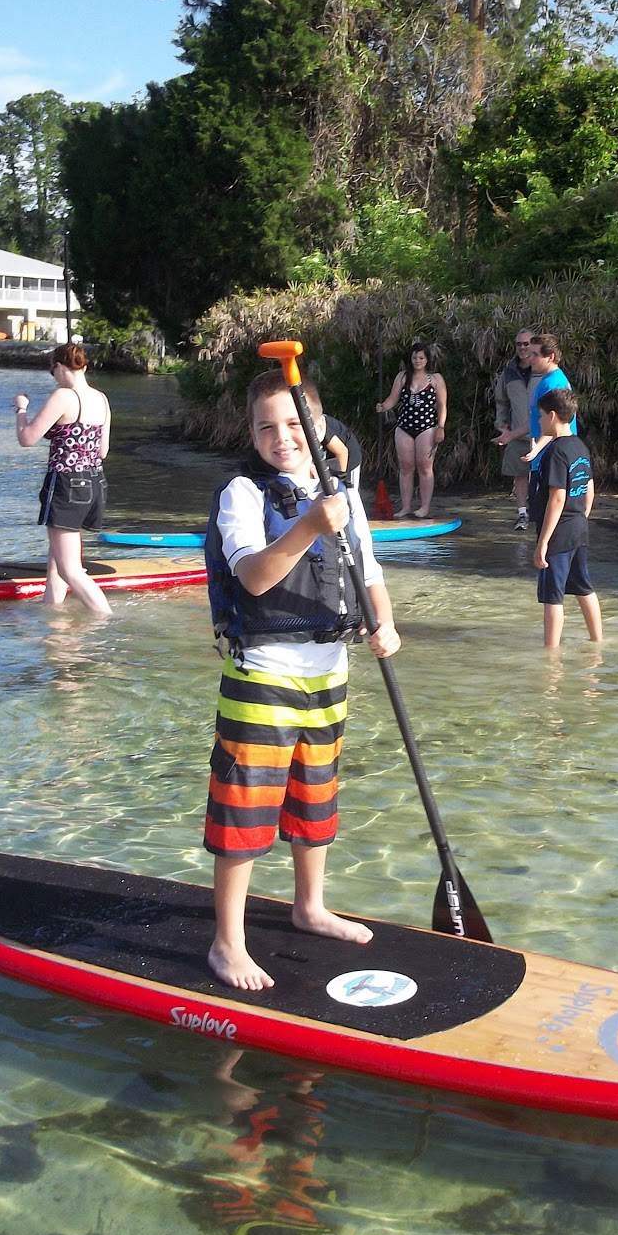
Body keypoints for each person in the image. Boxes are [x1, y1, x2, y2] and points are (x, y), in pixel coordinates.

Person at [204, 368, 401, 992]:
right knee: (245, 809)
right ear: (252, 433)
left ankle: (309, 906)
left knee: (315, 801)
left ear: (319, 428)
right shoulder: (242, 493)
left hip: (329, 673)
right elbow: (257, 578)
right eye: (266, 426)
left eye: (294, 424)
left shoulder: (342, 494)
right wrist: (312, 524)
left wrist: (386, 624)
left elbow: (367, 571)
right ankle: (226, 943)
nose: (281, 436)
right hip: (262, 674)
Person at [13, 342, 112, 615]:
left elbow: (27, 438)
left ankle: (107, 619)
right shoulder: (101, 399)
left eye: (53, 371)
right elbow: (102, 450)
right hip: (94, 483)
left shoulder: (63, 397)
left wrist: (21, 409)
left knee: (70, 570)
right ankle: (51, 613)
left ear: (59, 367)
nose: (54, 377)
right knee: (58, 557)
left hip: (67, 483)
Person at [529, 387, 602, 649]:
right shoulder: (579, 446)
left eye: (539, 416)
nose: (538, 421)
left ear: (551, 415)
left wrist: (543, 542)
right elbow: (589, 487)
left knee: (553, 595)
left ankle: (550, 654)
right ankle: (597, 641)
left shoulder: (556, 451)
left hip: (559, 531)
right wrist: (581, 517)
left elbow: (557, 497)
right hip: (578, 527)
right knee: (583, 586)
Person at [375, 340, 447, 518]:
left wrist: (441, 427)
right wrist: (383, 406)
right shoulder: (402, 377)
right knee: (406, 467)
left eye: (421, 357)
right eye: (415, 357)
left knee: (424, 467)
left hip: (427, 427)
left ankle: (424, 507)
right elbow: (393, 399)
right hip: (404, 426)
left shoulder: (436, 379)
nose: (417, 360)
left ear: (427, 359)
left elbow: (442, 405)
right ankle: (406, 507)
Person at [492, 328, 536, 529]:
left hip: (544, 435)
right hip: (517, 434)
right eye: (519, 344)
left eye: (526, 344)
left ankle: (542, 514)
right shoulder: (509, 372)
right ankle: (522, 514)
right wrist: (501, 424)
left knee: (546, 476)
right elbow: (501, 401)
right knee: (519, 475)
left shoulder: (544, 369)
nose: (523, 348)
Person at [523, 334, 576, 473]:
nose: (531, 359)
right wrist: (511, 435)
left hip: (552, 457)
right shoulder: (546, 381)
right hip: (542, 458)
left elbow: (556, 421)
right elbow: (536, 417)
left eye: (535, 354)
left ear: (550, 357)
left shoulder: (554, 384)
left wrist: (536, 449)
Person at [316, 411, 363, 490]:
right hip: (330, 457)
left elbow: (342, 451)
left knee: (348, 492)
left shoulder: (319, 426)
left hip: (348, 456)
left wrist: (341, 479)